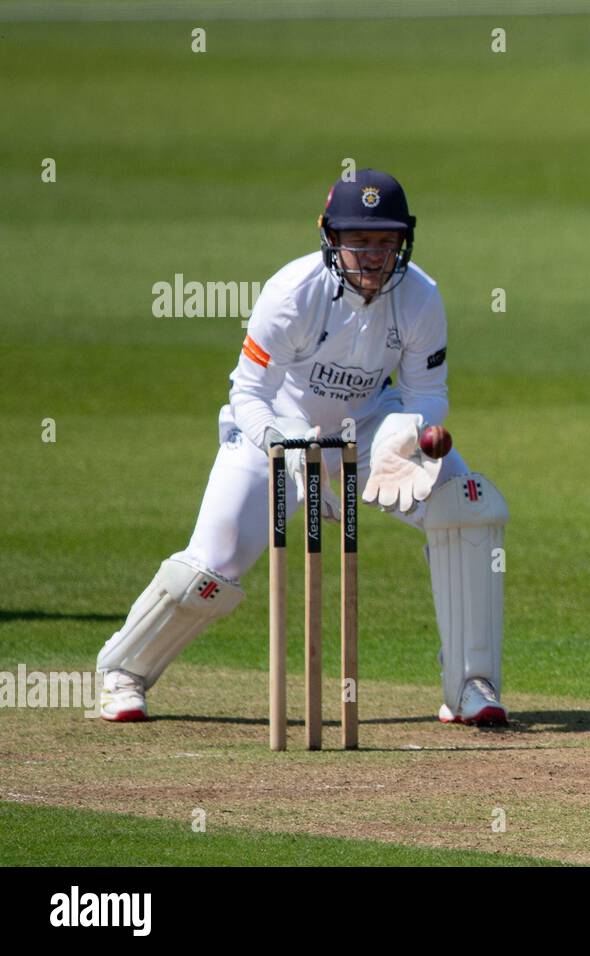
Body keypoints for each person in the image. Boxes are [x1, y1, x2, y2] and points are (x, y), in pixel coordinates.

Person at [96, 169, 510, 728]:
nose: (373, 256)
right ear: (331, 238)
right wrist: (284, 445)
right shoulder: (293, 293)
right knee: (213, 564)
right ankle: (123, 671)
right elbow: (248, 391)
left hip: (369, 426)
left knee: (468, 505)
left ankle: (470, 685)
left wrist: (400, 438)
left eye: (386, 242)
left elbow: (427, 394)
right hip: (275, 427)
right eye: (359, 241)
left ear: (403, 243)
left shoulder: (420, 297)